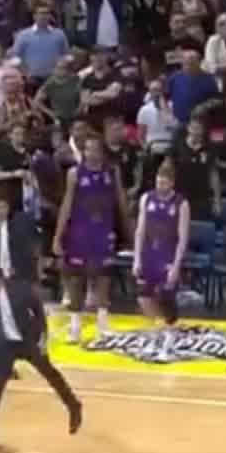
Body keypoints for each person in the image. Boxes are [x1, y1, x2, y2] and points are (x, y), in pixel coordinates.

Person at [0, 267, 82, 451]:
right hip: (3, 349)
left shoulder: (20, 291)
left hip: (28, 341)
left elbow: (38, 312)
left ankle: (74, 406)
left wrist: (42, 336)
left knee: (50, 374)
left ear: (1, 281)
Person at [52, 133, 127, 345]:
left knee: (103, 277)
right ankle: (75, 325)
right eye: (88, 149)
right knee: (77, 279)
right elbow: (66, 206)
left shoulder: (113, 172)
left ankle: (103, 323)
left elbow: (121, 202)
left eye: (96, 149)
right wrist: (58, 236)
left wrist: (129, 232)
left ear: (102, 152)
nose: (92, 153)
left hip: (103, 232)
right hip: (79, 232)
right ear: (83, 152)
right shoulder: (74, 174)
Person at [131, 161, 190, 362]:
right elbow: (140, 230)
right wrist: (136, 258)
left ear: (172, 183)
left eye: (165, 182)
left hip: (167, 255)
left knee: (166, 298)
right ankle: (159, 330)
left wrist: (176, 265)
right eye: (158, 180)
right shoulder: (146, 198)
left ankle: (169, 336)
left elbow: (183, 237)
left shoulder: (181, 204)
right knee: (142, 297)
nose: (161, 185)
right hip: (148, 254)